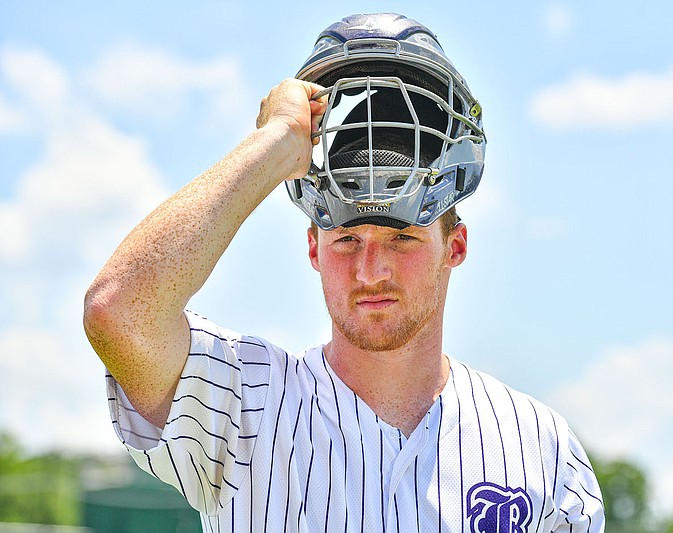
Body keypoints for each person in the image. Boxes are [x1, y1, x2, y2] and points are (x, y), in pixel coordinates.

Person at [84, 12, 605, 533]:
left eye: (403, 238)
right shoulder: (245, 405)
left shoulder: (540, 446)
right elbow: (120, 310)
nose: (371, 270)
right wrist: (279, 141)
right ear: (313, 247)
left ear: (456, 245)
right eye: (348, 239)